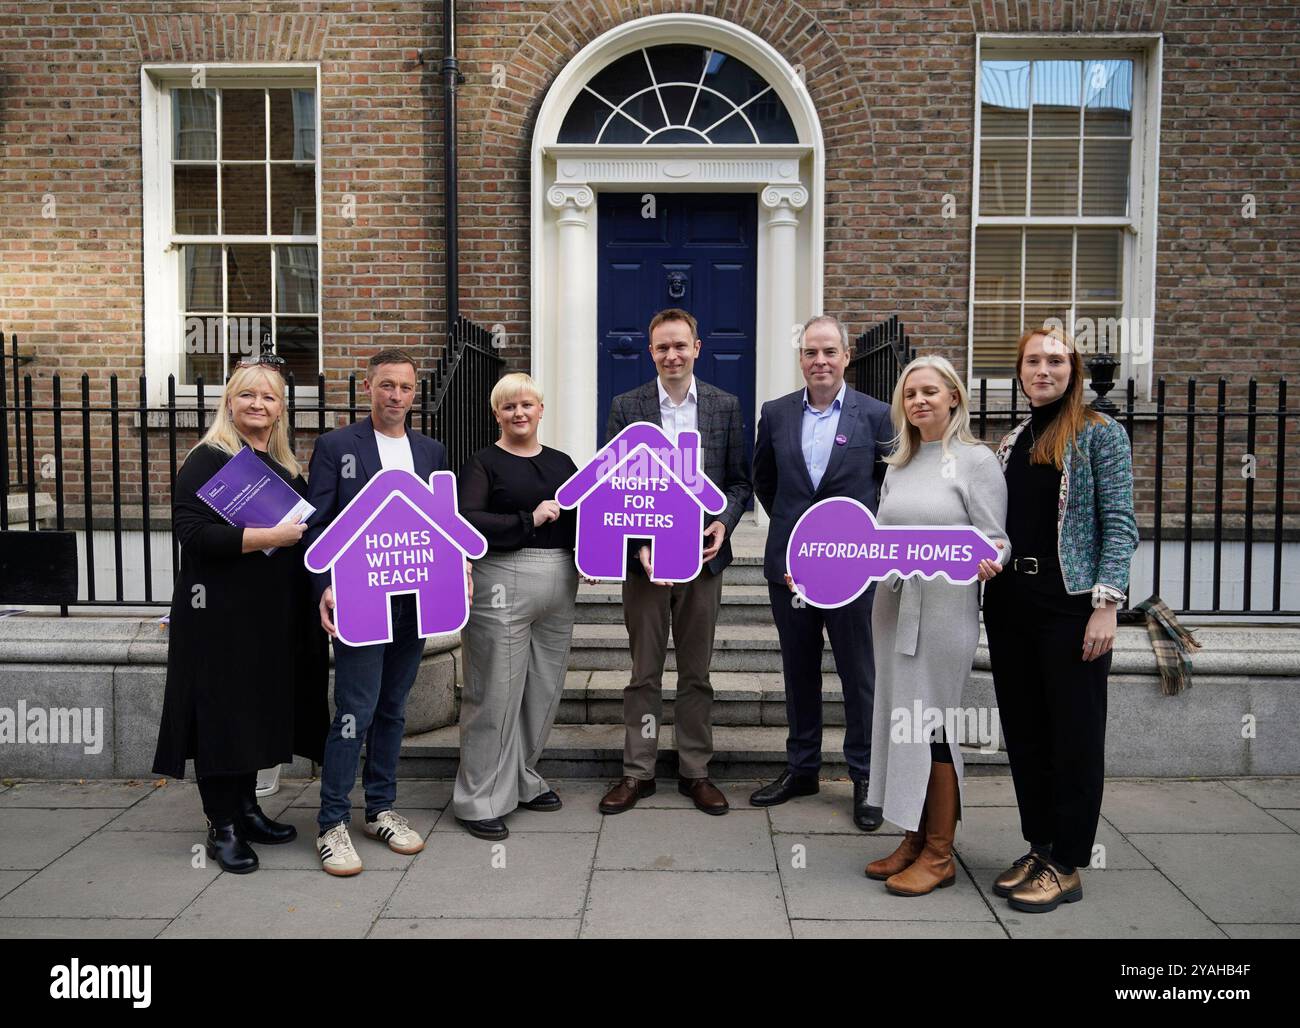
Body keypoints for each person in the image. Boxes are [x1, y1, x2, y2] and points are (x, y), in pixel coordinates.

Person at [153, 357, 328, 874]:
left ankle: (249, 809)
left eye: (269, 397)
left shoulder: (285, 467)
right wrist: (268, 538)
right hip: (218, 615)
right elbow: (194, 535)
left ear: (281, 409)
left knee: (256, 710)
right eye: (248, 395)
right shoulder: (208, 459)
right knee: (222, 716)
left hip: (271, 615)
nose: (258, 404)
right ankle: (221, 825)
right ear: (230, 401)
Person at [983, 326, 1137, 912]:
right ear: (1019, 371)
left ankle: (1068, 862)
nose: (1042, 370)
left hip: (1069, 604)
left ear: (1072, 369)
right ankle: (1040, 845)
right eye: (1032, 361)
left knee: (1073, 734)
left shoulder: (1102, 434)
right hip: (1011, 604)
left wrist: (1106, 604)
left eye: (1055, 360)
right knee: (1026, 732)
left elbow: (1119, 523)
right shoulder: (1014, 439)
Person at [597, 307, 753, 816]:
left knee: (696, 671)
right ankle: (638, 771)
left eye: (680, 345)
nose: (672, 355)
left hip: (703, 560)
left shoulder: (725, 406)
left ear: (697, 348)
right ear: (651, 352)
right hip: (644, 562)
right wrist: (638, 542)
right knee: (644, 672)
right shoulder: (627, 405)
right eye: (662, 347)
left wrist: (723, 524)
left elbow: (739, 481)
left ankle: (695, 771)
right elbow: (615, 483)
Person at [862, 355, 1009, 895]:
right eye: (909, 394)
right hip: (893, 606)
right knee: (899, 722)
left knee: (933, 725)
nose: (918, 400)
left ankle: (940, 853)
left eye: (929, 391)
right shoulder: (899, 462)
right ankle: (912, 836)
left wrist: (992, 558)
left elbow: (997, 537)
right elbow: (876, 539)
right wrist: (819, 569)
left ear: (953, 396)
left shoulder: (975, 461)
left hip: (945, 611)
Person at [306, 348, 456, 876]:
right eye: (387, 385)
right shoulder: (336, 446)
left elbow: (439, 526)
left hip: (412, 601)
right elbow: (317, 522)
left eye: (406, 388)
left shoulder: (431, 451)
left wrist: (451, 574)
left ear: (416, 394)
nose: (396, 396)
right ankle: (330, 822)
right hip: (359, 597)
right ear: (368, 386)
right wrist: (324, 584)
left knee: (394, 707)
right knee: (355, 710)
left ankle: (380, 808)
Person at [750, 315, 893, 830]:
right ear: (801, 358)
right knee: (799, 672)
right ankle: (802, 768)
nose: (820, 361)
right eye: (811, 352)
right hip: (791, 569)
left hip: (854, 569)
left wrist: (859, 541)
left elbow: (887, 488)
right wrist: (797, 536)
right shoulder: (777, 413)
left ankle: (865, 777)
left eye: (829, 352)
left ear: (846, 357)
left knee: (859, 675)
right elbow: (764, 480)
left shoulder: (876, 416)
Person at [452, 373, 580, 840]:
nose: (519, 413)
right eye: (508, 407)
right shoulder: (483, 462)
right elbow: (467, 520)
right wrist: (530, 518)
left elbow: (590, 514)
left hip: (559, 582)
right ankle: (478, 797)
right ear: (496, 415)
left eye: (527, 404)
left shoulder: (563, 463)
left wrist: (594, 553)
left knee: (542, 690)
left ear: (541, 410)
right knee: (495, 694)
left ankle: (523, 778)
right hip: (502, 580)